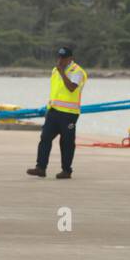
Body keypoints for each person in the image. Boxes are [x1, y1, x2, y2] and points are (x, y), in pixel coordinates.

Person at [27, 45, 87, 179]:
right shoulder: (55, 70)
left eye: (64, 58)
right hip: (53, 111)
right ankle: (40, 168)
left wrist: (62, 72)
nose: (60, 60)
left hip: (69, 114)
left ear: (70, 58)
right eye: (59, 57)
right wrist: (49, 109)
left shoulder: (77, 71)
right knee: (45, 138)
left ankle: (66, 170)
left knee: (66, 142)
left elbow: (71, 88)